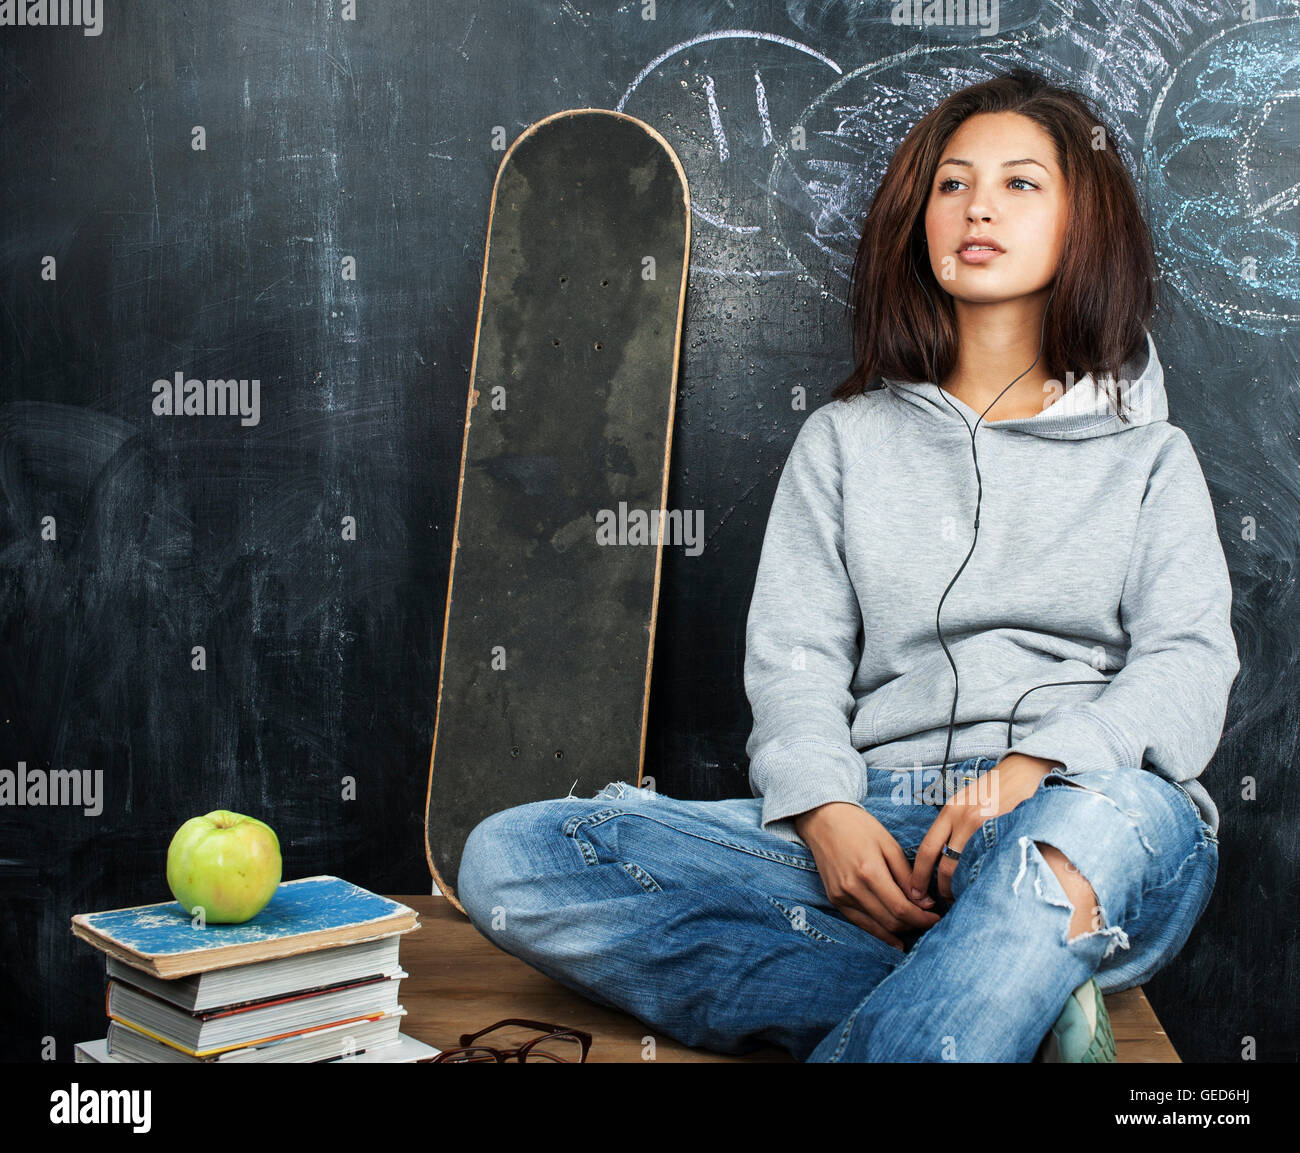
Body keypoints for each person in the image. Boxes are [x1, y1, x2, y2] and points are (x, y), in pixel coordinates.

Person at [455, 67, 1240, 1063]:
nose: (977, 207)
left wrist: (1033, 766)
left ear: (1087, 225)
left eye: (1020, 183)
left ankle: (1000, 965)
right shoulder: (842, 442)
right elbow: (795, 661)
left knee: (1114, 813)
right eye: (951, 184)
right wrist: (824, 808)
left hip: (1072, 818)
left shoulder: (1148, 457)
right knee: (515, 860)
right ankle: (1014, 1001)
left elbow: (1187, 667)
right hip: (880, 824)